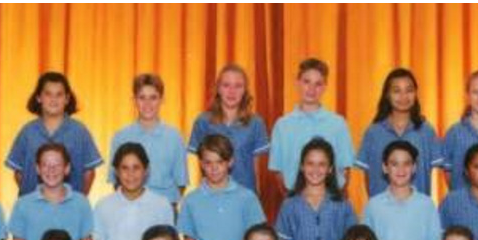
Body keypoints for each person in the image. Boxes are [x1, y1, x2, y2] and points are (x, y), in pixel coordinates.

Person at [362, 140, 444, 240]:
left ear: (414, 168)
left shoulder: (426, 204)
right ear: (385, 168)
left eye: (406, 164)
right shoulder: (373, 205)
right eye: (394, 164)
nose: (401, 170)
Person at [8, 143, 95, 240]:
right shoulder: (23, 204)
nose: (51, 170)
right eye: (45, 165)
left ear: (67, 168)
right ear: (37, 169)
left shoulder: (81, 202)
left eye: (57, 165)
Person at [5, 71, 102, 195]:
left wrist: (78, 200)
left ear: (67, 99)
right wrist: (30, 198)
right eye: (48, 94)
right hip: (34, 204)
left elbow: (89, 171)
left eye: (59, 95)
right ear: (38, 97)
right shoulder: (27, 132)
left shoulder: (79, 131)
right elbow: (19, 172)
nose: (53, 99)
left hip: (69, 204)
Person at [268, 58, 356, 194]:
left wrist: (336, 199)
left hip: (330, 197)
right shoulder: (282, 126)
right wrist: (290, 199)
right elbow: (278, 171)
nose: (311, 89)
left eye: (318, 84)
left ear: (325, 87)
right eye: (306, 82)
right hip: (295, 197)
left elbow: (345, 169)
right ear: (298, 83)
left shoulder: (338, 124)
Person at [356, 67, 443, 196]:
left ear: (415, 94)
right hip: (382, 207)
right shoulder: (373, 133)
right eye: (397, 91)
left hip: (417, 207)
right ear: (387, 94)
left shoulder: (426, 131)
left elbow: (436, 170)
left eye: (409, 90)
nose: (403, 96)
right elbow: (367, 175)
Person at [108, 73, 188, 208]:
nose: (147, 104)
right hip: (130, 208)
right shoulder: (121, 136)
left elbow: (181, 183)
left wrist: (165, 207)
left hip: (164, 208)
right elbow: (116, 181)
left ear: (162, 100)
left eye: (153, 98)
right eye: (142, 98)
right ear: (134, 100)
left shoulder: (174, 137)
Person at [188, 63, 270, 193]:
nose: (232, 92)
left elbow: (258, 168)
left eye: (238, 86)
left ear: (245, 90)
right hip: (212, 194)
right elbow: (198, 163)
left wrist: (256, 198)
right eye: (226, 85)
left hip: (245, 194)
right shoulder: (203, 121)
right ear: (218, 89)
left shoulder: (256, 123)